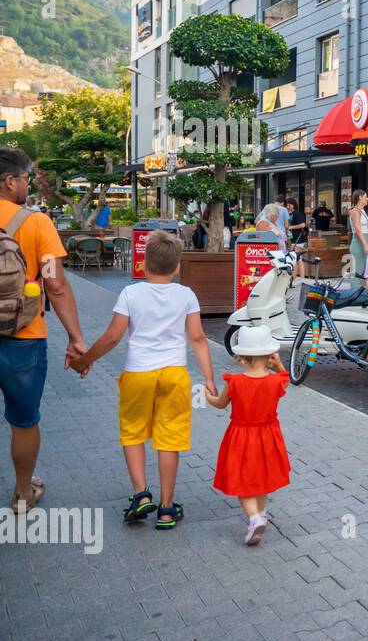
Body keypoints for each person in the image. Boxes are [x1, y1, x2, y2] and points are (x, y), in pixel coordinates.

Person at [70, 231, 217, 530]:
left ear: (144, 266)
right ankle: (165, 508)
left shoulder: (130, 294)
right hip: (174, 374)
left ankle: (140, 495)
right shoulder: (187, 295)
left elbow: (113, 337)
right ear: (178, 267)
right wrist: (209, 378)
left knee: (133, 432)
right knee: (169, 438)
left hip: (138, 373)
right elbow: (198, 338)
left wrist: (85, 361)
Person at [0, 147, 88, 513]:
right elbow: (56, 285)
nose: (27, 185)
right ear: (10, 182)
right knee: (23, 420)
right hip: (23, 336)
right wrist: (76, 338)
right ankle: (23, 493)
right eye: (25, 179)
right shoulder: (36, 223)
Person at [205, 326, 291, 546]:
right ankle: (261, 515)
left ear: (241, 357)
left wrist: (208, 397)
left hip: (241, 436)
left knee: (242, 480)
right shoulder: (274, 382)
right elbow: (285, 378)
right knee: (262, 478)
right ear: (268, 355)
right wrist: (278, 362)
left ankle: (254, 518)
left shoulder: (235, 381)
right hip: (268, 436)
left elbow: (221, 404)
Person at [347, 190, 368, 279]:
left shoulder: (362, 210)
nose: (367, 199)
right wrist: (365, 245)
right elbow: (358, 229)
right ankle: (355, 291)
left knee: (365, 269)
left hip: (364, 239)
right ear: (360, 197)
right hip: (358, 242)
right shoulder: (355, 211)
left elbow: (365, 230)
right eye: (365, 197)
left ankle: (362, 291)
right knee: (358, 269)